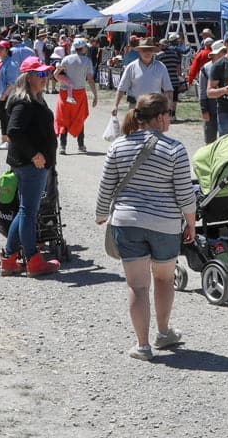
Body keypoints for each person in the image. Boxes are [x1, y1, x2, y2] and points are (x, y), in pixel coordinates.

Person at [96, 93, 196, 361]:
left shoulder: (118, 146)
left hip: (127, 223)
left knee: (138, 286)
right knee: (164, 278)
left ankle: (142, 346)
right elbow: (185, 193)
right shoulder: (175, 148)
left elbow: (106, 186)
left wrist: (101, 214)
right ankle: (163, 333)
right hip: (164, 224)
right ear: (161, 117)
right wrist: (191, 223)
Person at [1, 57, 61, 276]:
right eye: (41, 74)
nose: (45, 78)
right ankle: (33, 260)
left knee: (25, 211)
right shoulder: (23, 102)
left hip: (30, 163)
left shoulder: (33, 98)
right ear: (29, 77)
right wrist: (34, 154)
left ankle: (9, 259)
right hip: (30, 164)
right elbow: (13, 131)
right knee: (29, 212)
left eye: (46, 74)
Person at [55, 40, 97, 154]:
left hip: (65, 92)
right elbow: (90, 79)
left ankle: (62, 146)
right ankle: (81, 145)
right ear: (82, 48)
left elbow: (57, 74)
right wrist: (95, 95)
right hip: (79, 93)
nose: (87, 49)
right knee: (79, 117)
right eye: (85, 47)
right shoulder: (87, 61)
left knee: (64, 118)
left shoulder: (66, 59)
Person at [113, 36, 173, 115]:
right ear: (139, 51)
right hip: (136, 108)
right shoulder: (131, 67)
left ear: (153, 51)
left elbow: (168, 89)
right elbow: (121, 88)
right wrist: (115, 105)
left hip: (155, 109)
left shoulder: (161, 67)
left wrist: (169, 106)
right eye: (144, 50)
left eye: (149, 50)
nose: (147, 52)